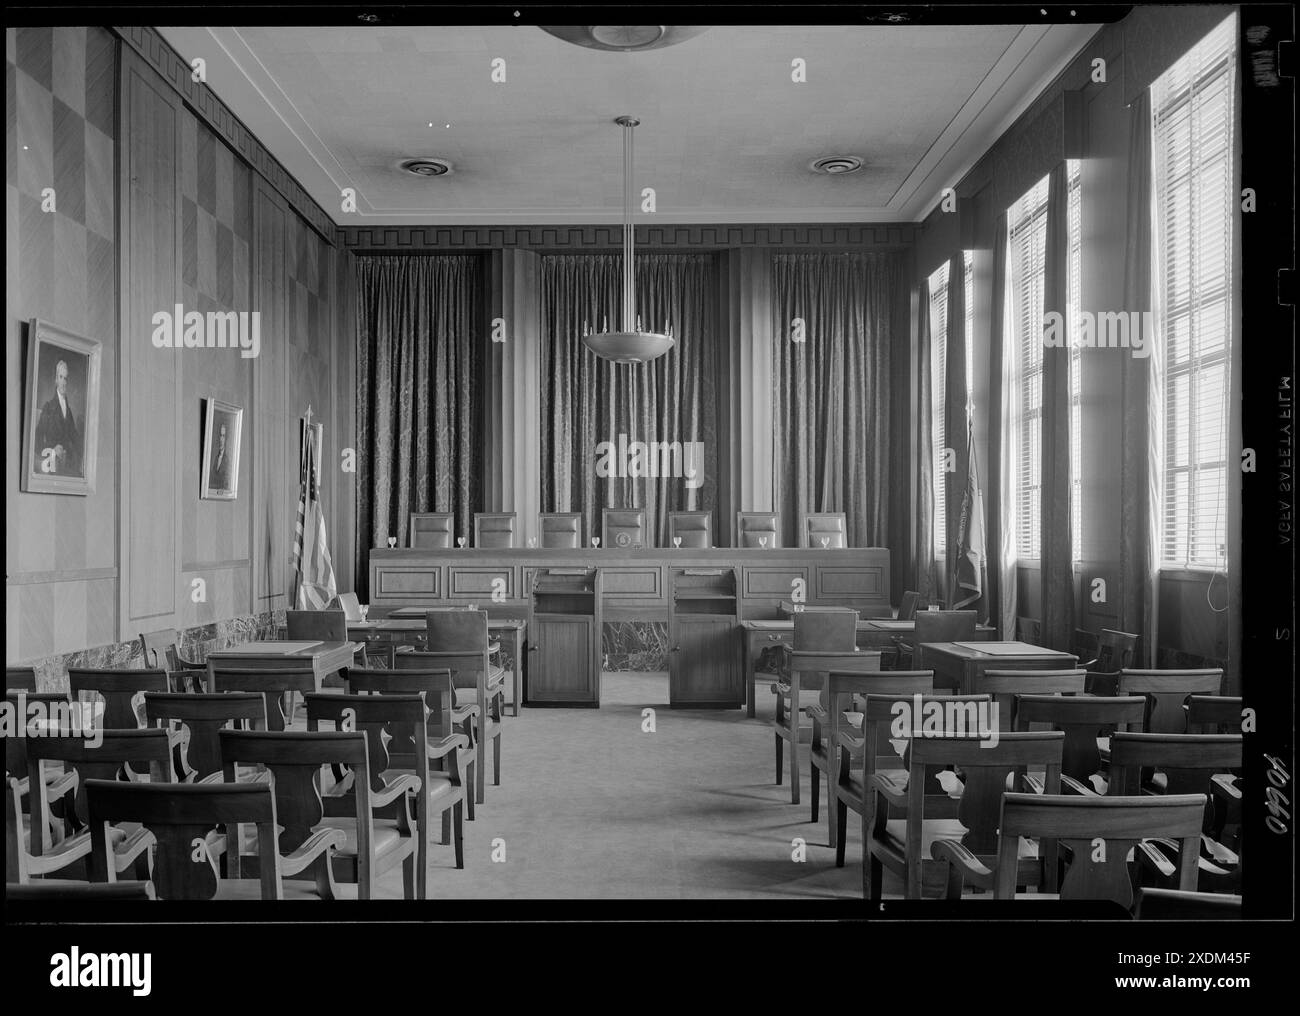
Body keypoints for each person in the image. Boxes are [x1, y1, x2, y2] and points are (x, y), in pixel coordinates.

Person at [35, 359, 81, 476]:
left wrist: (86, 455)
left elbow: (74, 436)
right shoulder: (48, 407)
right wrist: (52, 450)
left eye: (66, 378)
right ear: (56, 380)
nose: (63, 382)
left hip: (68, 463)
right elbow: (37, 439)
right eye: (61, 377)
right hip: (52, 464)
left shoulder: (68, 410)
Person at [209, 421, 232, 491]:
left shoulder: (227, 460)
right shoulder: (216, 458)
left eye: (223, 436)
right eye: (220, 435)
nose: (221, 439)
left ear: (226, 439)